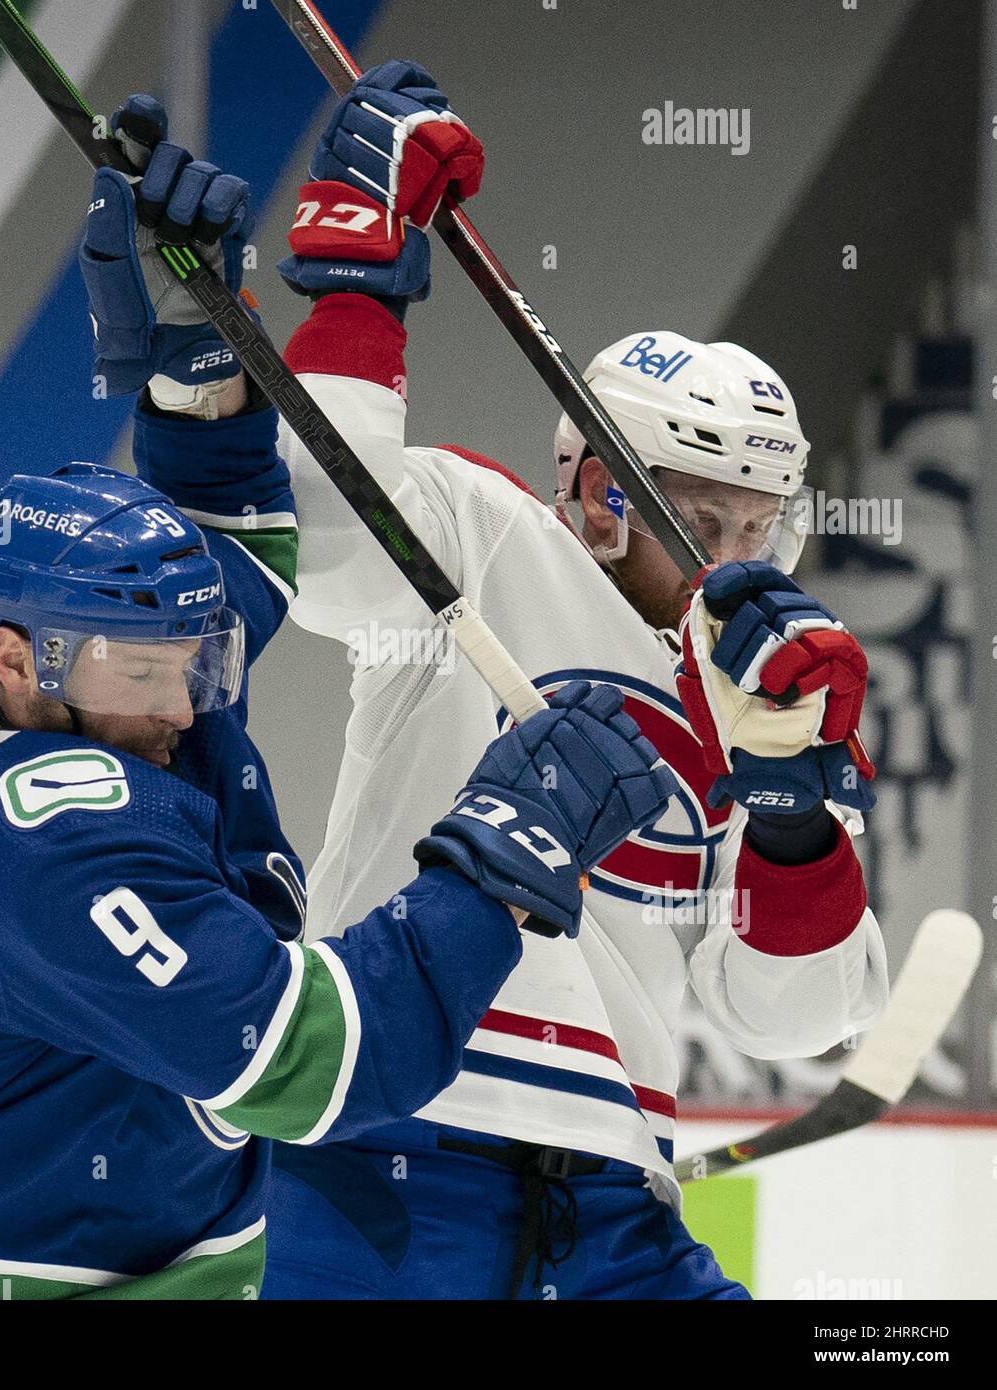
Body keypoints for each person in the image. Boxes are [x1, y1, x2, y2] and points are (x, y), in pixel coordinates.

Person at [0, 124, 677, 1301]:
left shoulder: (38, 702)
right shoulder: (46, 837)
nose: (191, 704)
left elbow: (229, 578)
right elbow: (317, 1063)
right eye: (146, 669)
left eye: (196, 660)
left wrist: (197, 371)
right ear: (19, 660)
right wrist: (498, 858)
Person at [110, 68, 888, 1299]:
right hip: (373, 1159)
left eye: (757, 532)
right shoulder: (484, 534)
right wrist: (359, 280)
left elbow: (789, 1017)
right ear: (594, 492)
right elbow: (319, 540)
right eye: (697, 520)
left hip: (610, 1205)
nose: (728, 564)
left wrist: (792, 808)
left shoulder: (772, 691)